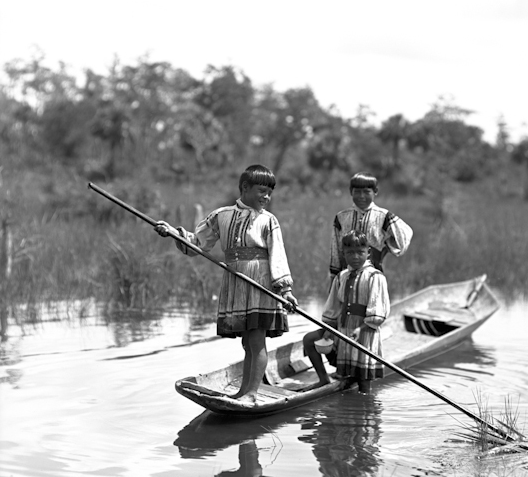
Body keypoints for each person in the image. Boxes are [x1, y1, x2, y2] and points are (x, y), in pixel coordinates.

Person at [155, 164, 298, 406]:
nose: (266, 197)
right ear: (244, 187)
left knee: (256, 339)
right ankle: (243, 391)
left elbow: (278, 255)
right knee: (246, 341)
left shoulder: (268, 220)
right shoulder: (221, 215)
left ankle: (252, 392)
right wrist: (171, 232)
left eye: (269, 192)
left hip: (260, 283)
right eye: (261, 190)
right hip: (236, 281)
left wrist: (285, 289)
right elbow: (197, 242)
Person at [304, 171, 411, 382]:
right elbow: (336, 249)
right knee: (339, 321)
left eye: (367, 191)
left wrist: (388, 248)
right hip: (344, 278)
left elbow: (404, 237)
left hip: (370, 278)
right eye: (357, 191)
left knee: (364, 328)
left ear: (375, 192)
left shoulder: (384, 216)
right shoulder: (341, 217)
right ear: (350, 192)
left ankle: (361, 368)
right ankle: (338, 368)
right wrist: (334, 278)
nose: (362, 196)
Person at [310, 230, 390, 393]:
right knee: (309, 340)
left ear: (368, 253)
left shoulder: (375, 277)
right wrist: (329, 329)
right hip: (342, 330)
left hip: (364, 333)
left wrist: (361, 329)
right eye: (350, 253)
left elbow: (378, 311)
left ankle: (365, 403)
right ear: (343, 254)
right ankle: (323, 379)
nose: (355, 257)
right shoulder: (341, 277)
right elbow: (333, 306)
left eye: (360, 252)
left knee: (363, 382)